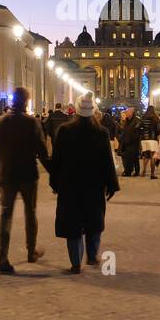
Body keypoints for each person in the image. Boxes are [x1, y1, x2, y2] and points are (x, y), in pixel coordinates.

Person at [50, 94, 119, 274]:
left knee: (72, 224)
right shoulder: (101, 132)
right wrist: (112, 184)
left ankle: (75, 263)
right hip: (93, 185)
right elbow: (107, 162)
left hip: (69, 185)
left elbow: (56, 159)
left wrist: (54, 182)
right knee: (94, 221)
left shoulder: (64, 130)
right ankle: (92, 253)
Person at [0, 87, 51, 273]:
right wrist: (55, 174)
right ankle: (31, 251)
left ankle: (2, 257)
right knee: (30, 212)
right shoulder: (32, 122)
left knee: (5, 215)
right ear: (26, 101)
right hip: (27, 174)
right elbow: (42, 152)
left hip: (6, 174)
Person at [118, 107, 142, 177]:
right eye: (125, 112)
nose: (125, 113)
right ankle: (128, 171)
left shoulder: (137, 121)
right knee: (127, 157)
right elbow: (122, 130)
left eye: (127, 112)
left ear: (131, 113)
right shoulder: (126, 121)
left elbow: (137, 132)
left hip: (133, 143)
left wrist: (131, 139)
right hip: (125, 143)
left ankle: (136, 171)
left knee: (134, 158)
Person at [139, 105, 160, 179]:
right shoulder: (155, 119)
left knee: (145, 156)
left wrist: (142, 134)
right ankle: (152, 174)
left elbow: (138, 127)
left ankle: (143, 171)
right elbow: (159, 129)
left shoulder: (143, 118)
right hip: (153, 139)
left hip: (144, 140)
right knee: (153, 157)